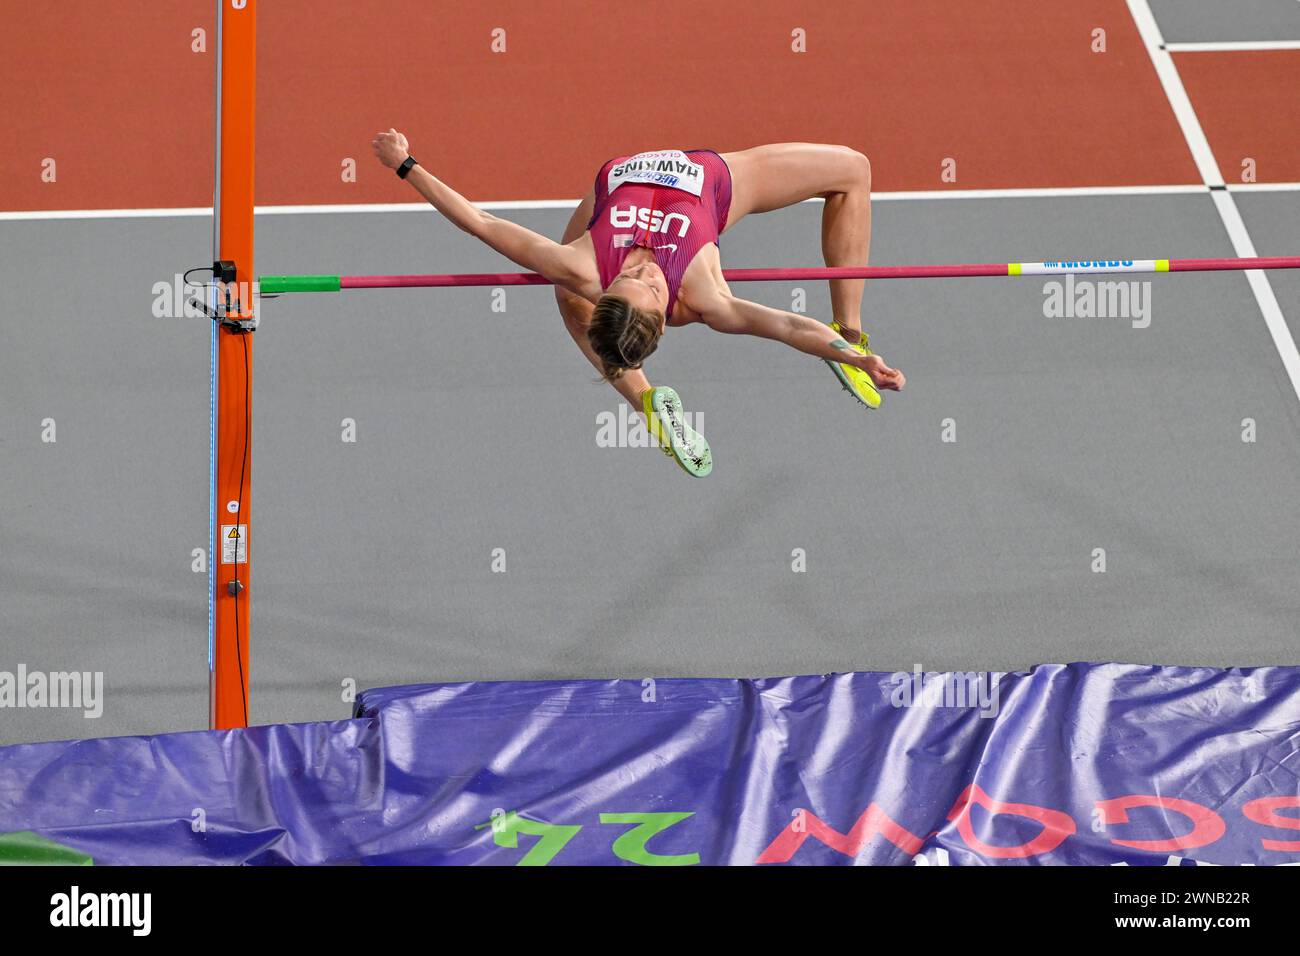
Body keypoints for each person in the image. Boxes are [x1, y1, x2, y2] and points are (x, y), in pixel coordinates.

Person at [372, 132, 905, 476]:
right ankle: (852, 332)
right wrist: (853, 356)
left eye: (629, 279)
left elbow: (480, 223)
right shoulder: (705, 297)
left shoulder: (586, 267)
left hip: (621, 185)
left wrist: (406, 165)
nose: (646, 270)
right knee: (851, 168)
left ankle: (645, 401)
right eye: (651, 288)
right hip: (715, 181)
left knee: (566, 288)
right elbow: (788, 326)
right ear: (670, 318)